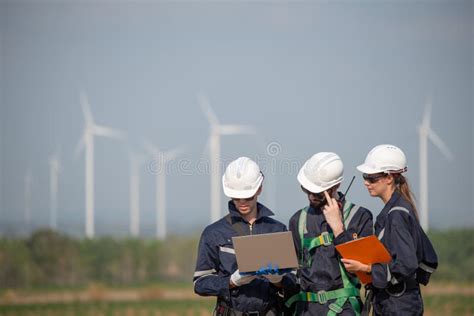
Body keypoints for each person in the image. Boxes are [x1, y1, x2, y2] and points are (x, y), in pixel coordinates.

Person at [342, 144, 438, 316]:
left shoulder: (396, 215)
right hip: (395, 302)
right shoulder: (398, 209)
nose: (366, 182)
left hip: (398, 305)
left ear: (389, 178)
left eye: (372, 178)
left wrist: (366, 268)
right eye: (365, 176)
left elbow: (406, 264)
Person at [193, 157, 290, 315]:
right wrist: (231, 282)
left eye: (248, 197)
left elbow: (295, 283)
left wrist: (278, 281)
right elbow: (200, 284)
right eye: (237, 197)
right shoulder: (214, 233)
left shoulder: (278, 230)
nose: (242, 202)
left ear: (259, 189)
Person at [286, 152, 373, 315]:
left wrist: (339, 228)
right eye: (306, 189)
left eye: (318, 193)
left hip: (344, 309)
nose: (311, 196)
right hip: (306, 310)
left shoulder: (359, 216)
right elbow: (293, 271)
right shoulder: (297, 220)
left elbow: (364, 270)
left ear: (337, 186)